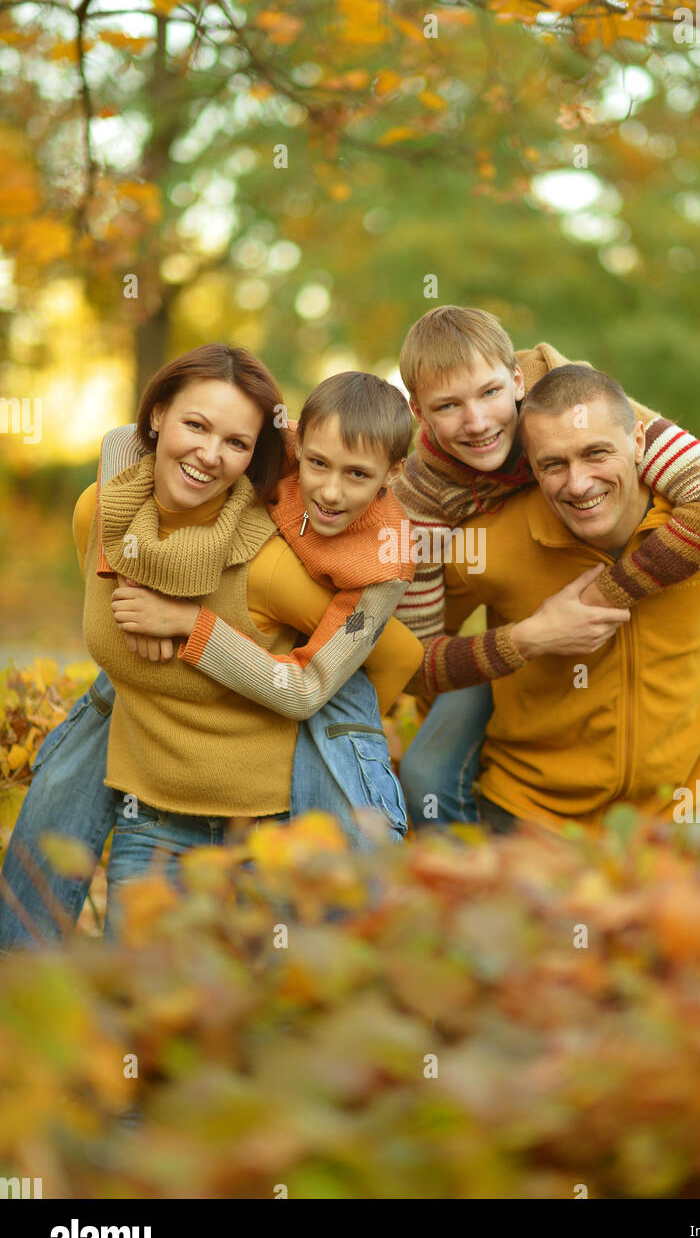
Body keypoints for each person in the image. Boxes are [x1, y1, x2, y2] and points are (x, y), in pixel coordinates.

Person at [0, 349, 422, 948]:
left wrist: (192, 629)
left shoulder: (285, 566)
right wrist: (135, 575)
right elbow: (120, 439)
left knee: (261, 1015)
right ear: (159, 419)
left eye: (235, 442)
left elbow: (389, 660)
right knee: (144, 1018)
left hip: (263, 818)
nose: (208, 453)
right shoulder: (98, 512)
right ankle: (19, 980)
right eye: (194, 425)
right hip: (148, 812)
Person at [387, 305, 700, 825]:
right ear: (418, 413)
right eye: (448, 406)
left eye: (489, 393)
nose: (478, 421)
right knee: (428, 773)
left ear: (515, 380)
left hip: (664, 626)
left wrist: (603, 597)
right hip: (525, 630)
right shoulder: (418, 500)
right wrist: (531, 636)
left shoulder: (575, 400)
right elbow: (416, 663)